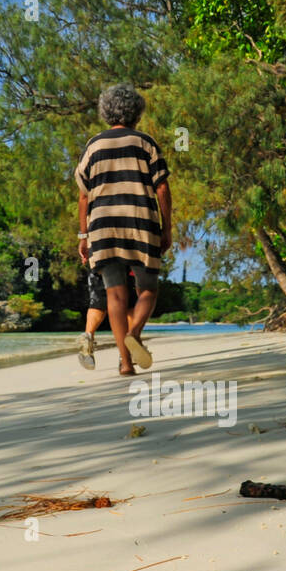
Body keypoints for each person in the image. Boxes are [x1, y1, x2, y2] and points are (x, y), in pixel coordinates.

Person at [74, 83, 172, 376]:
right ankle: (135, 334)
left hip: (102, 227)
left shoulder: (93, 145)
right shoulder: (146, 143)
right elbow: (163, 187)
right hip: (139, 222)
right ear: (136, 112)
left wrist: (83, 236)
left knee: (115, 296)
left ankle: (126, 365)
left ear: (106, 111)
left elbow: (83, 195)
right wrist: (166, 228)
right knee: (148, 289)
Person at [77, 267, 135, 370]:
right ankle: (127, 350)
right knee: (128, 303)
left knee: (97, 301)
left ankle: (88, 337)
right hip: (123, 259)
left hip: (98, 257)